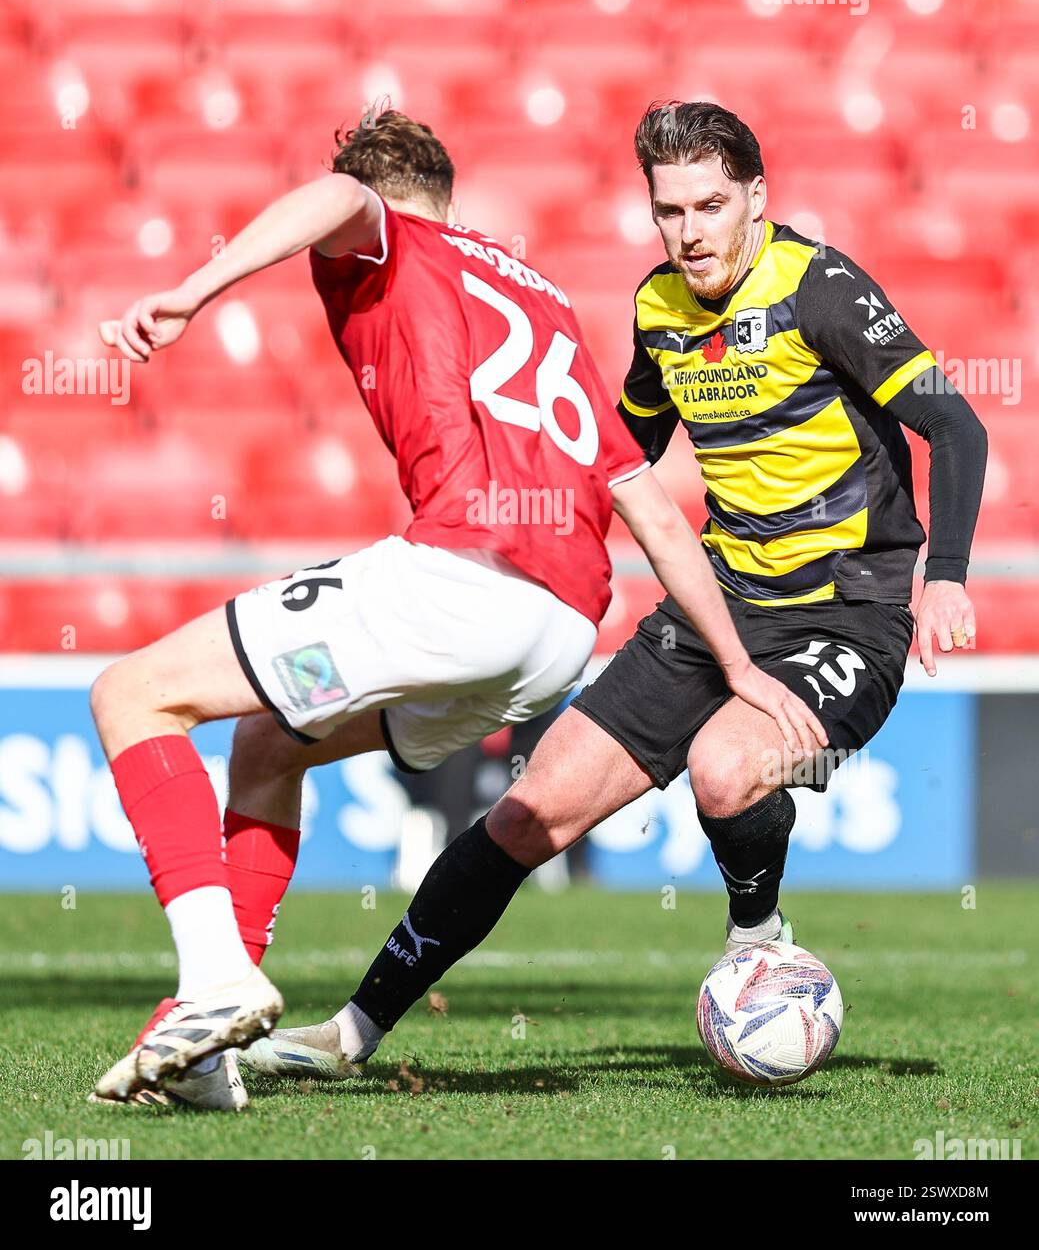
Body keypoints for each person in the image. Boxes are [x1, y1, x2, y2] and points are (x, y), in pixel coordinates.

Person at [240, 101, 987, 1086]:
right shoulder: (658, 310)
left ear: (756, 200)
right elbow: (622, 456)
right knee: (528, 810)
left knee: (727, 769)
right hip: (720, 603)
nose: (690, 233)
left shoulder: (822, 289)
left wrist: (944, 580)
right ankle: (351, 1032)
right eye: (669, 211)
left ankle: (754, 929)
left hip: (849, 612)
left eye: (711, 206)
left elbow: (959, 429)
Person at [91, 109, 823, 1107]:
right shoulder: (541, 298)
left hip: (461, 577)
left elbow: (342, 202)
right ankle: (209, 1060)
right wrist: (736, 663)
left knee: (130, 693)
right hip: (557, 635)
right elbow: (647, 504)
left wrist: (189, 294)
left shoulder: (391, 238)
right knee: (270, 743)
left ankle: (215, 977)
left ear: (391, 204)